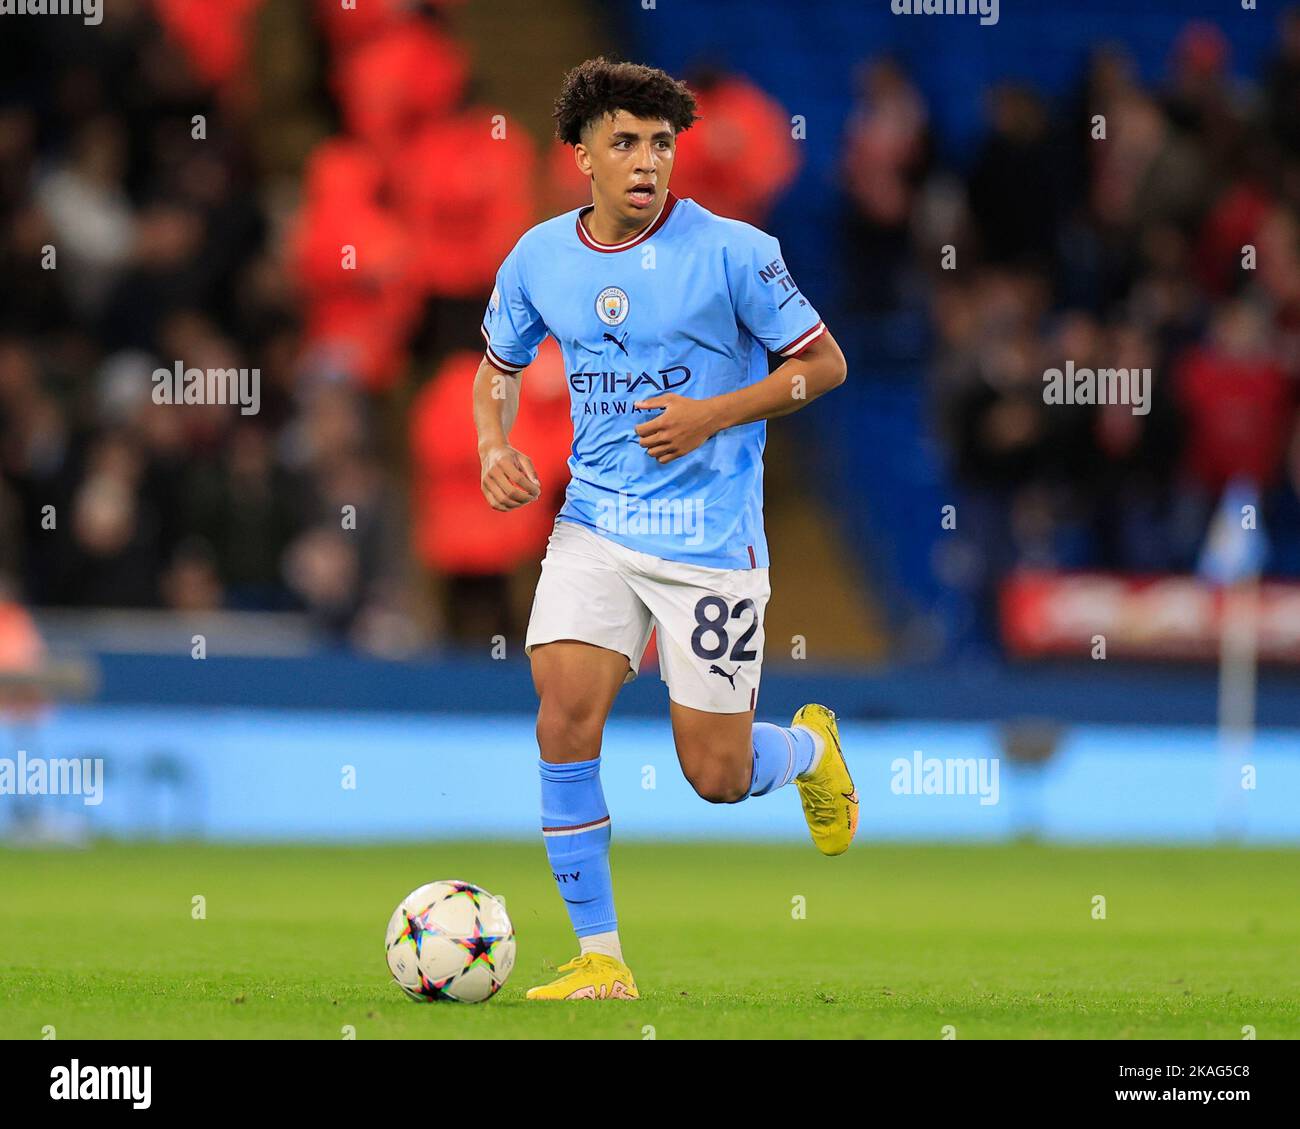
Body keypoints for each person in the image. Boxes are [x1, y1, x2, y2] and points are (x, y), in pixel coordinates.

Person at [472, 58, 855, 1002]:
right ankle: (602, 959)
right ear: (582, 157)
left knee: (716, 777)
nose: (647, 162)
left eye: (661, 144)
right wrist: (492, 443)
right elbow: (498, 365)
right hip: (595, 523)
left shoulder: (734, 251)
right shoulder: (537, 259)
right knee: (562, 716)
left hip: (709, 543)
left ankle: (807, 750)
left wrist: (713, 413)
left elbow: (826, 366)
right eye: (626, 143)